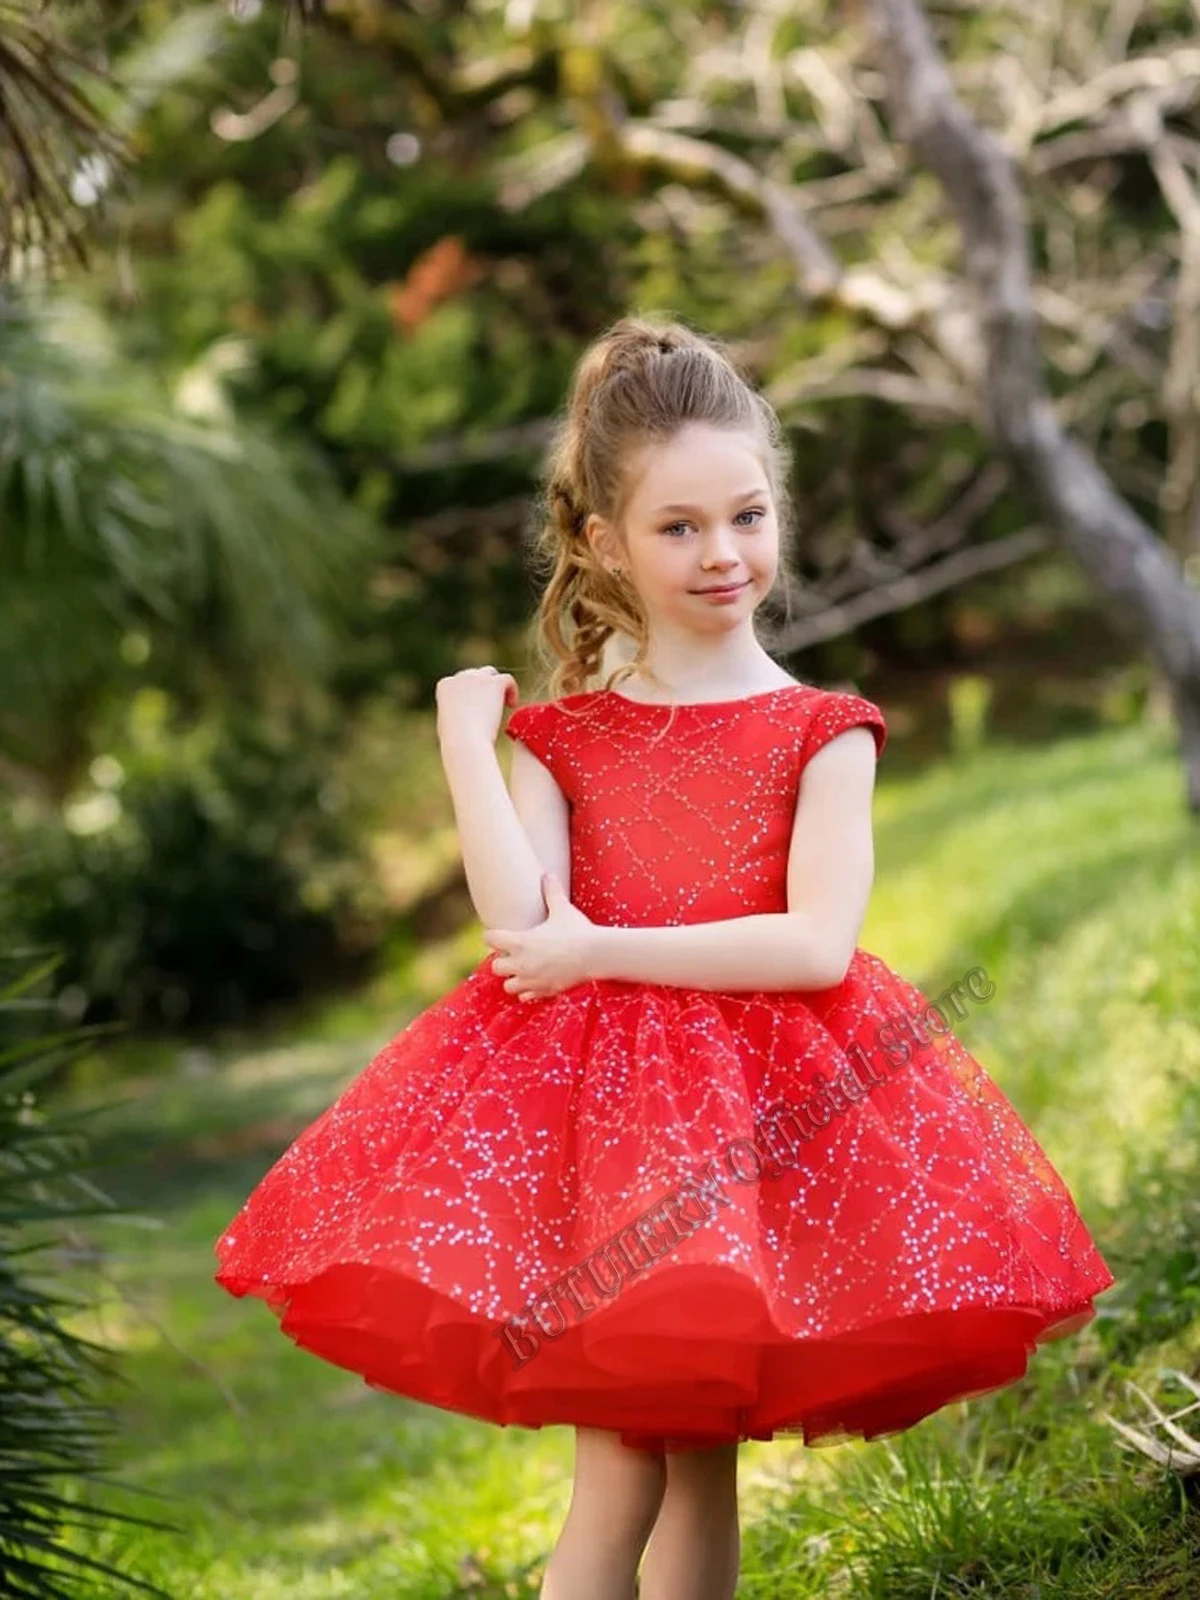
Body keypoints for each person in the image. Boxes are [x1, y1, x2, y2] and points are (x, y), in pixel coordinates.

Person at [213, 313, 1115, 1600]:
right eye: (678, 527)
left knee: (694, 1461)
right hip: (608, 1128)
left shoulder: (824, 730)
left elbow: (816, 944)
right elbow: (522, 925)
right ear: (603, 542)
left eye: (745, 516)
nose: (722, 552)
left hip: (759, 1114)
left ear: (778, 509)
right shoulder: (567, 738)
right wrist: (470, 748)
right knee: (626, 1459)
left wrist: (602, 947)